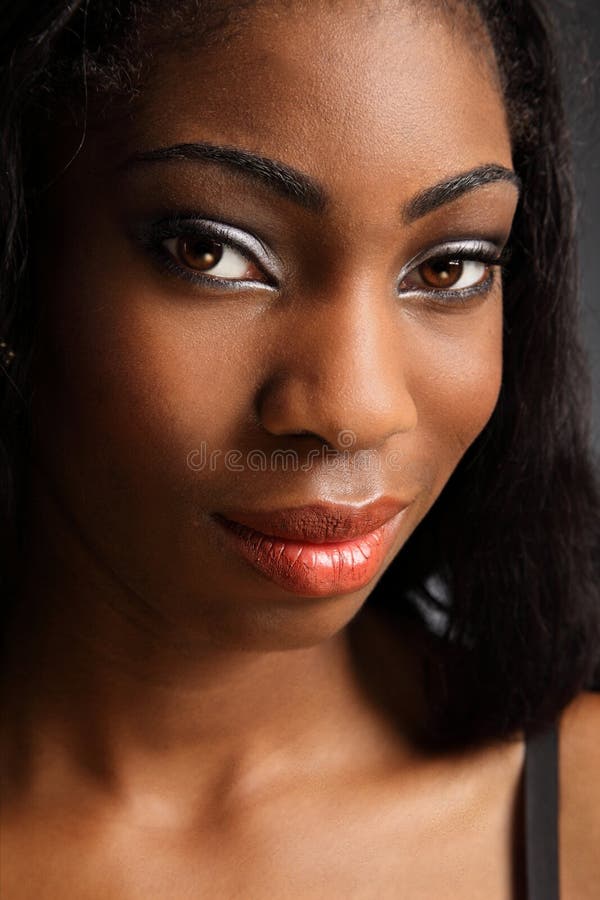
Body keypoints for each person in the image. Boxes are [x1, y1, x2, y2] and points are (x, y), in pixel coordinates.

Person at [1, 0, 599, 896]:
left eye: (450, 266)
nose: (356, 409)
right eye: (209, 251)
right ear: (21, 266)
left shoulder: (580, 809)